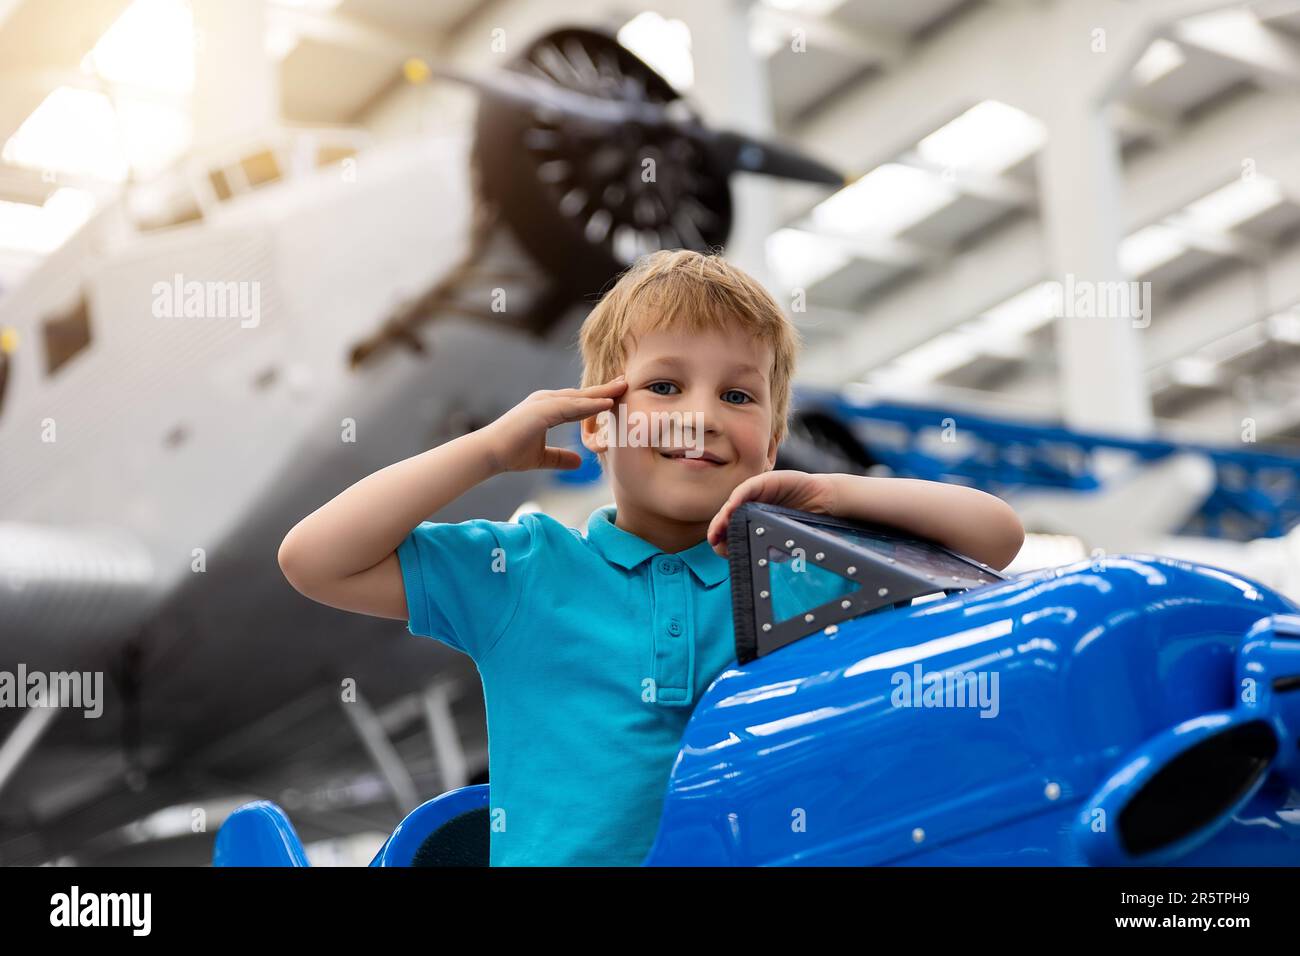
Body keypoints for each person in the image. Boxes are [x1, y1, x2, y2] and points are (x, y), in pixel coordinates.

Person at [277, 249, 1025, 865]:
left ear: (769, 441)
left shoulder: (797, 569)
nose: (701, 415)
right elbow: (315, 559)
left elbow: (993, 537)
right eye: (665, 386)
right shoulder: (522, 572)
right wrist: (487, 450)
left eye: (738, 397)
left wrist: (831, 493)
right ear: (597, 425)